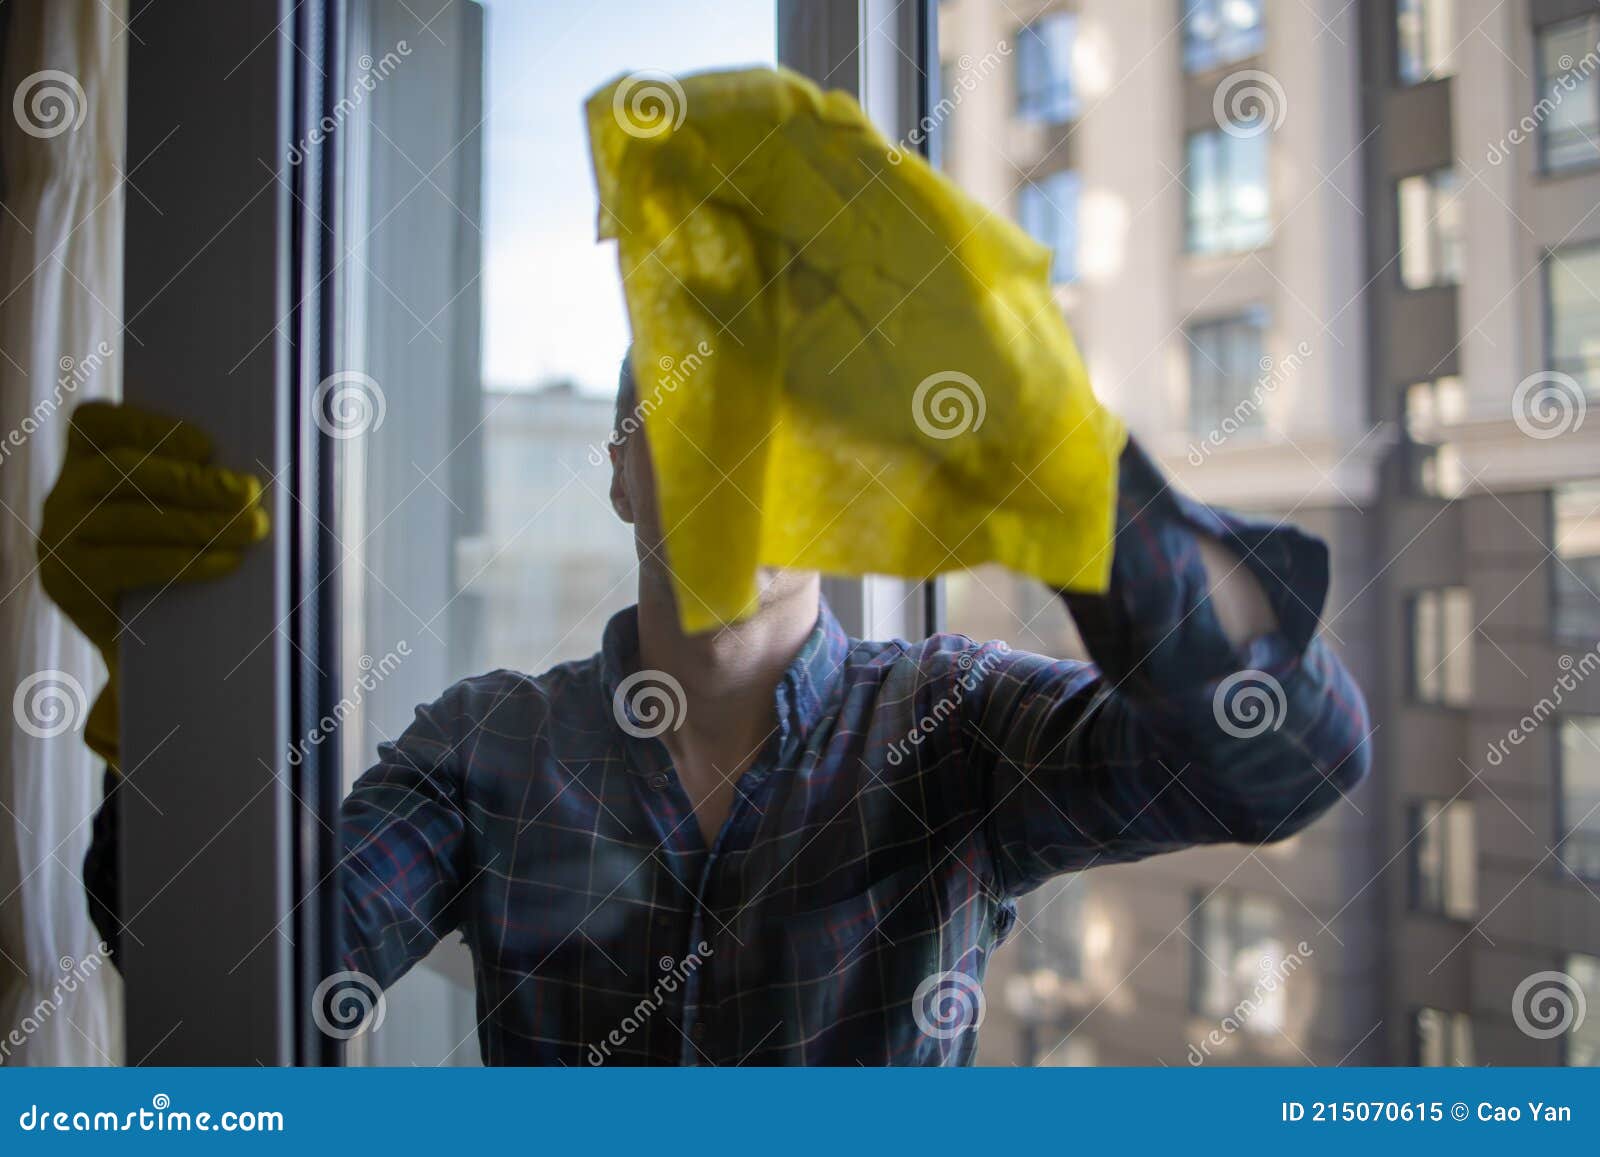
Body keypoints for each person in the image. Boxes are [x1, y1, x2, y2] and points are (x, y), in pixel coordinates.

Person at [45, 353, 1369, 1066]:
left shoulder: (953, 719)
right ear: (620, 471)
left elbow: (1275, 763)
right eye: (687, 416)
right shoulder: (486, 742)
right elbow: (252, 978)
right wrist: (164, 688)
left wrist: (1072, 471)